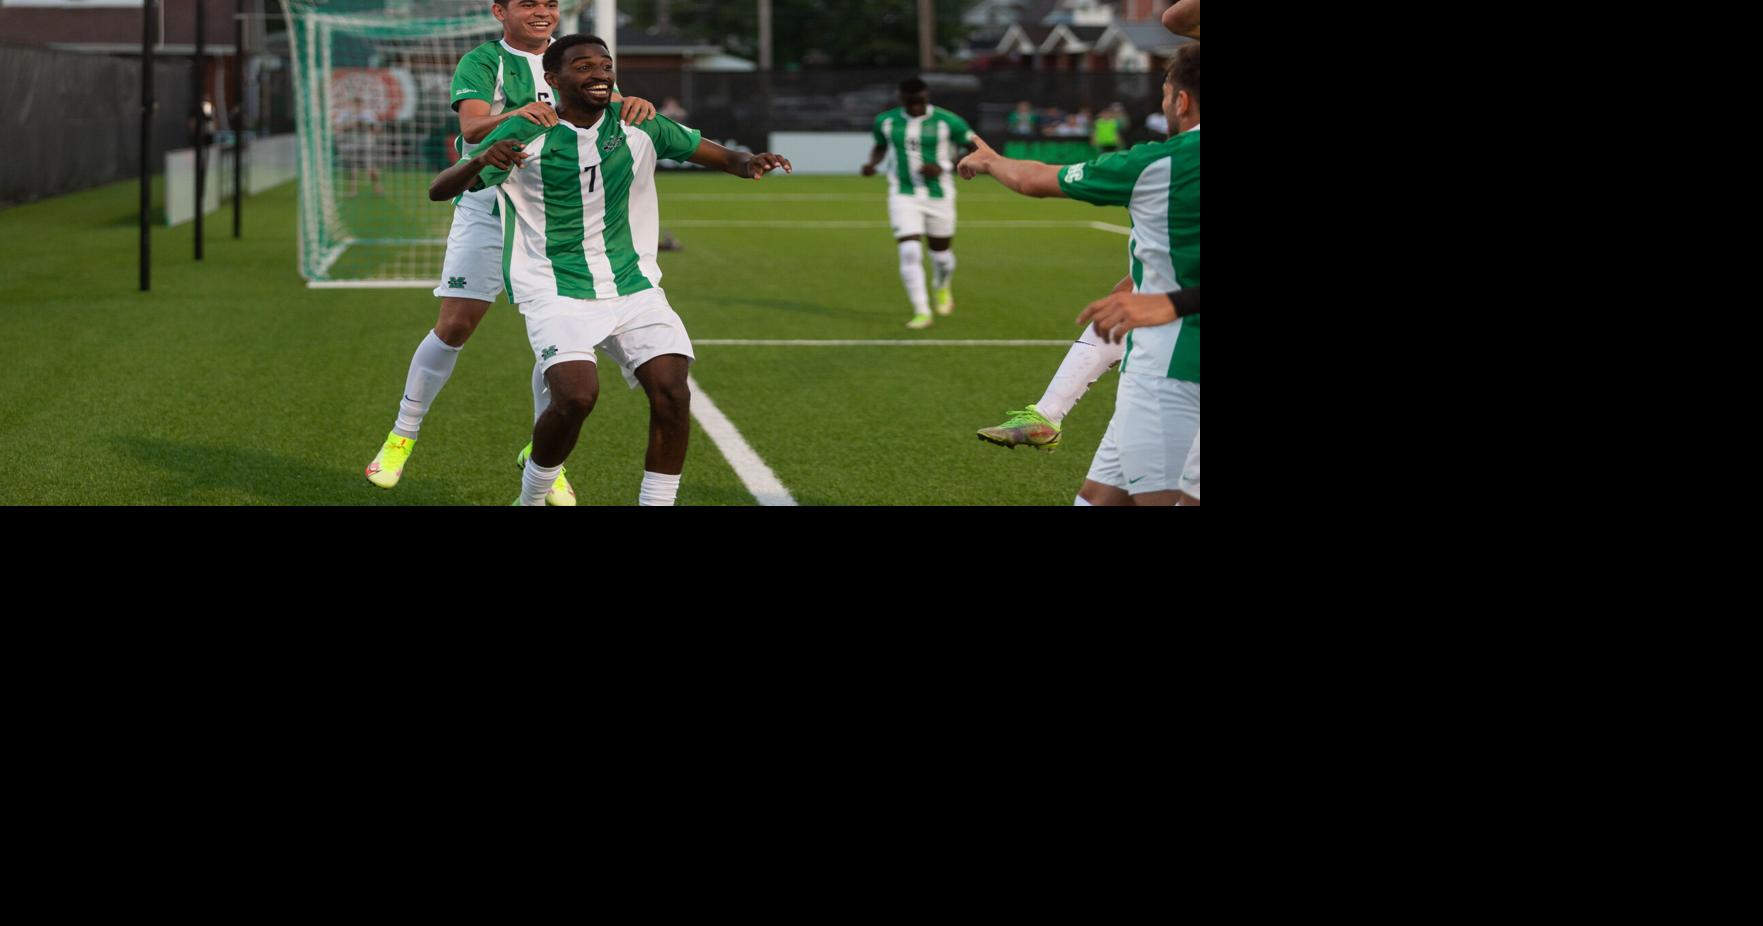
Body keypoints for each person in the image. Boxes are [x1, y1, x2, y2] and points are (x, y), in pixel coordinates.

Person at [426, 33, 792, 507]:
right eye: (583, 66)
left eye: (605, 64)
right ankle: (532, 497)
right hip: (554, 287)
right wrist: (478, 160)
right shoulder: (527, 130)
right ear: (553, 80)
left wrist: (749, 163)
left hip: (633, 285)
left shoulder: (638, 121)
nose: (599, 73)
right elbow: (440, 190)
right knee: (576, 397)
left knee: (672, 393)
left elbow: (716, 154)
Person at [363, 0, 655, 505]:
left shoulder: (579, 60)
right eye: (528, 3)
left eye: (549, 3)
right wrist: (519, 112)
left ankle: (547, 459)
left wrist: (638, 107)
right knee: (455, 324)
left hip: (556, 222)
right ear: (501, 10)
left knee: (560, 336)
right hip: (488, 206)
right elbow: (472, 130)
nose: (542, 12)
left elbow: (607, 115)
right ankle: (401, 436)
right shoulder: (484, 60)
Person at [959, 43, 1199, 506]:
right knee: (1100, 496)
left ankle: (1047, 414)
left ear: (1182, 101)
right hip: (1157, 362)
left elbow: (1033, 179)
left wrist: (988, 160)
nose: (1164, 103)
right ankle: (1046, 413)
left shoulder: (1158, 163)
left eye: (1166, 93)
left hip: (1173, 367)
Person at [860, 78, 976, 329]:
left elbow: (973, 148)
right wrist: (872, 163)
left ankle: (942, 286)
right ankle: (922, 310)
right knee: (909, 251)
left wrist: (944, 166)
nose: (914, 107)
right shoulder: (886, 121)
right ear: (901, 98)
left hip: (939, 194)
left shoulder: (949, 121)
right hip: (903, 193)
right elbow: (880, 146)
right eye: (909, 102)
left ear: (927, 96)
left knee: (942, 256)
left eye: (919, 101)